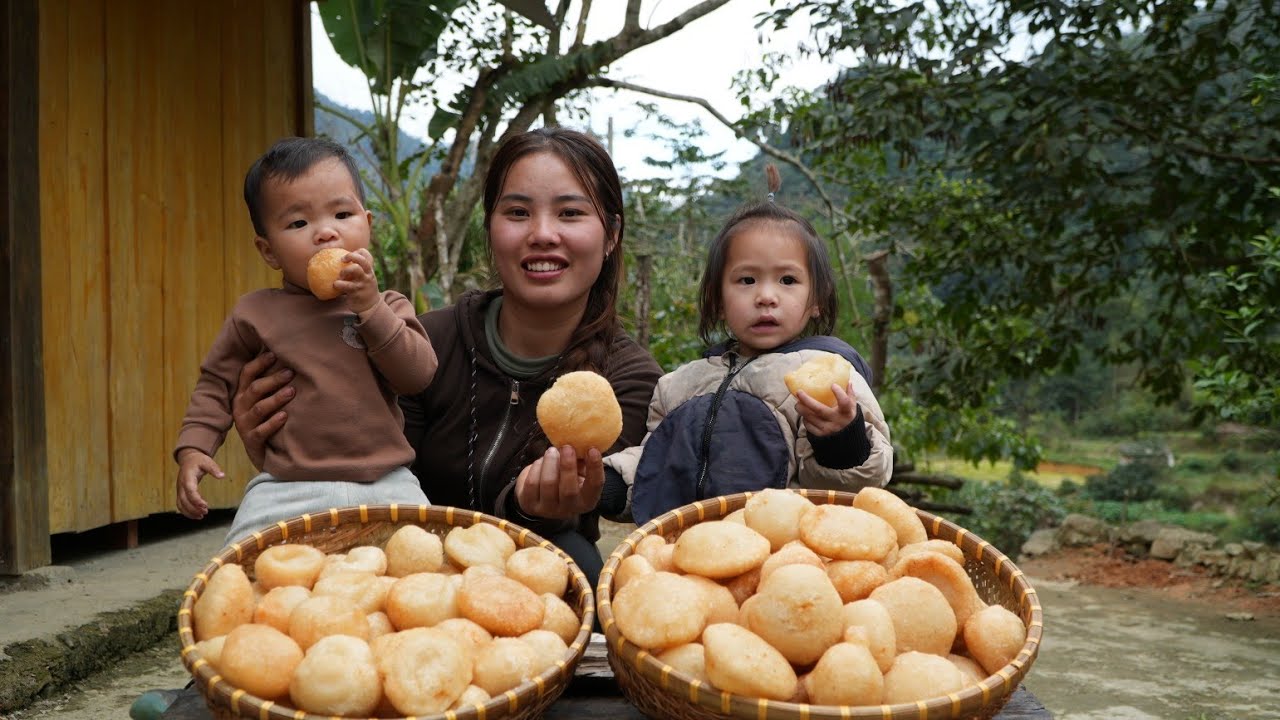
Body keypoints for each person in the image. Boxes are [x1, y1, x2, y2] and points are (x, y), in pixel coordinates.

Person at [229, 127, 663, 585]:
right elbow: (354, 470)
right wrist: (282, 438)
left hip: (530, 586)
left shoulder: (629, 382)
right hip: (393, 572)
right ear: (490, 228)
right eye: (517, 212)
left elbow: (597, 504)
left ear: (611, 234)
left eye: (570, 213)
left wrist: (534, 510)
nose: (542, 234)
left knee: (582, 562)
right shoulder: (417, 342)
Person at [174, 136, 436, 544]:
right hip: (286, 487)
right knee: (235, 573)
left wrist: (370, 309)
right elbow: (216, 384)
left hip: (388, 480)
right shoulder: (255, 314)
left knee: (423, 568)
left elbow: (417, 375)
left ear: (367, 224)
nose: (325, 233)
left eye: (342, 214)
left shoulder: (389, 306)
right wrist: (194, 447)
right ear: (269, 251)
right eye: (298, 223)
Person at [599, 166, 893, 525]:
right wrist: (609, 484)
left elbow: (862, 482)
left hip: (778, 558)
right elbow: (657, 462)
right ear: (717, 299)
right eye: (747, 279)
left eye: (787, 280)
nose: (766, 296)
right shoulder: (678, 386)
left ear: (816, 298)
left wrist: (840, 437)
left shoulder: (827, 378)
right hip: (681, 552)